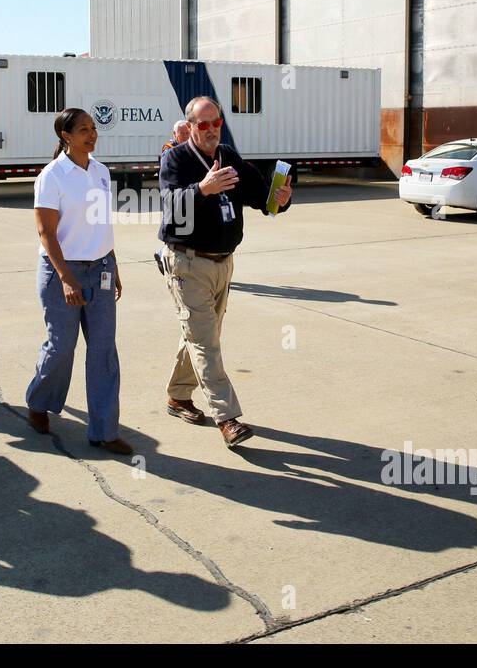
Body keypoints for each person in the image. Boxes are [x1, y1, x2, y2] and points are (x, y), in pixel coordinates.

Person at [157, 96, 292, 447]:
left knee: (202, 335)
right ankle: (226, 417)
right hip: (188, 263)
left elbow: (260, 195)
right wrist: (203, 189)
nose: (212, 130)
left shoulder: (228, 156)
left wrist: (280, 197)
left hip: (223, 263)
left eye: (217, 122)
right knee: (206, 341)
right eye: (204, 125)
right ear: (189, 127)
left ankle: (177, 395)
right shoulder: (175, 158)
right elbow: (170, 204)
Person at [26, 108, 132, 455]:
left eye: (94, 128)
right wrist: (67, 278)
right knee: (62, 347)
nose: (91, 134)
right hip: (62, 272)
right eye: (83, 129)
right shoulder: (52, 176)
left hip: (99, 268)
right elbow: (46, 232)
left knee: (103, 352)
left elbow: (103, 225)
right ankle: (39, 402)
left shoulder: (100, 172)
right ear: (65, 136)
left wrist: (112, 263)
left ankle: (104, 430)